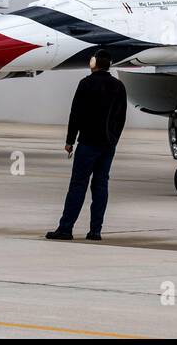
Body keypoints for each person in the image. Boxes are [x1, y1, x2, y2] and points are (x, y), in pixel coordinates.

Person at [45, 51, 127, 241]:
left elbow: (76, 114)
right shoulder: (118, 86)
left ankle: (66, 228)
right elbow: (121, 117)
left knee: (78, 185)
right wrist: (113, 140)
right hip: (108, 145)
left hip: (88, 143)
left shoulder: (86, 83)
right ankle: (95, 231)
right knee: (101, 186)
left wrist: (70, 140)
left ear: (94, 63)